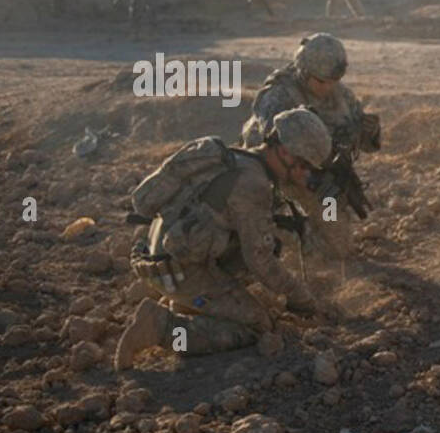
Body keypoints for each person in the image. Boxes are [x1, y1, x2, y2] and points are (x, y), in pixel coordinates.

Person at [114, 109, 333, 370]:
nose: (305, 176)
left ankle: (192, 303)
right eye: (305, 166)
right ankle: (163, 328)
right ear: (285, 152)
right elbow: (259, 260)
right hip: (176, 271)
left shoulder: (237, 158)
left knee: (266, 243)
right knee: (255, 325)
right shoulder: (253, 184)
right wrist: (301, 298)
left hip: (156, 255)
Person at [241, 33, 380, 259]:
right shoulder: (279, 94)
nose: (329, 88)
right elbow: (277, 145)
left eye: (335, 80)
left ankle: (301, 232)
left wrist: (368, 133)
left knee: (338, 242)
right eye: (322, 81)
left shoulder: (341, 95)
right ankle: (277, 229)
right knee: (257, 225)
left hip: (318, 175)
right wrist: (310, 177)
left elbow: (365, 144)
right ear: (304, 73)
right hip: (277, 172)